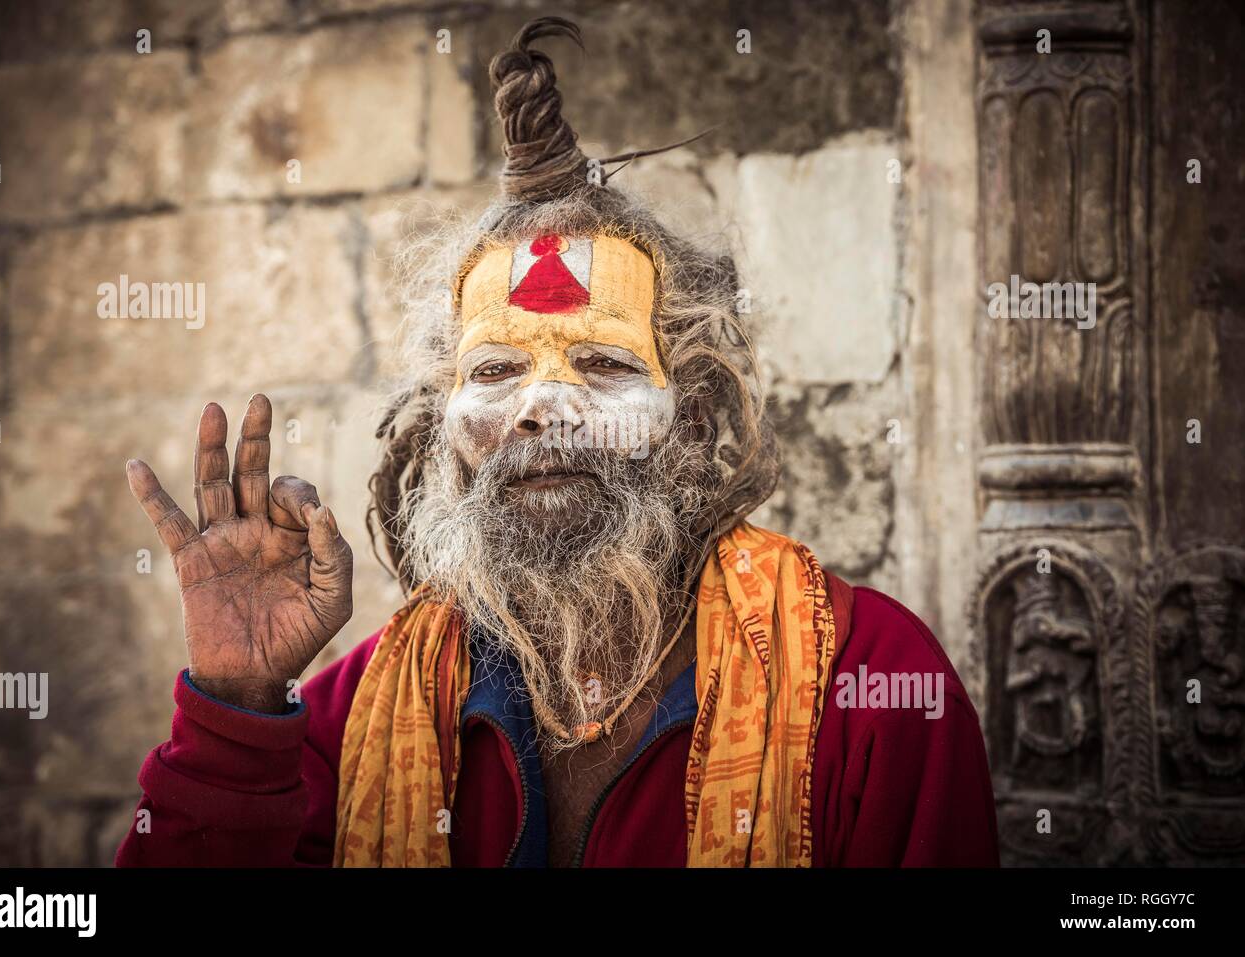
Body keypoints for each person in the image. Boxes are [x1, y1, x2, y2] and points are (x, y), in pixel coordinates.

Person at [116, 17, 998, 868]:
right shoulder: (355, 717)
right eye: (495, 371)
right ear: (444, 430)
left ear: (691, 421)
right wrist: (235, 712)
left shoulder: (870, 688)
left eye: (604, 363)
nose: (543, 406)